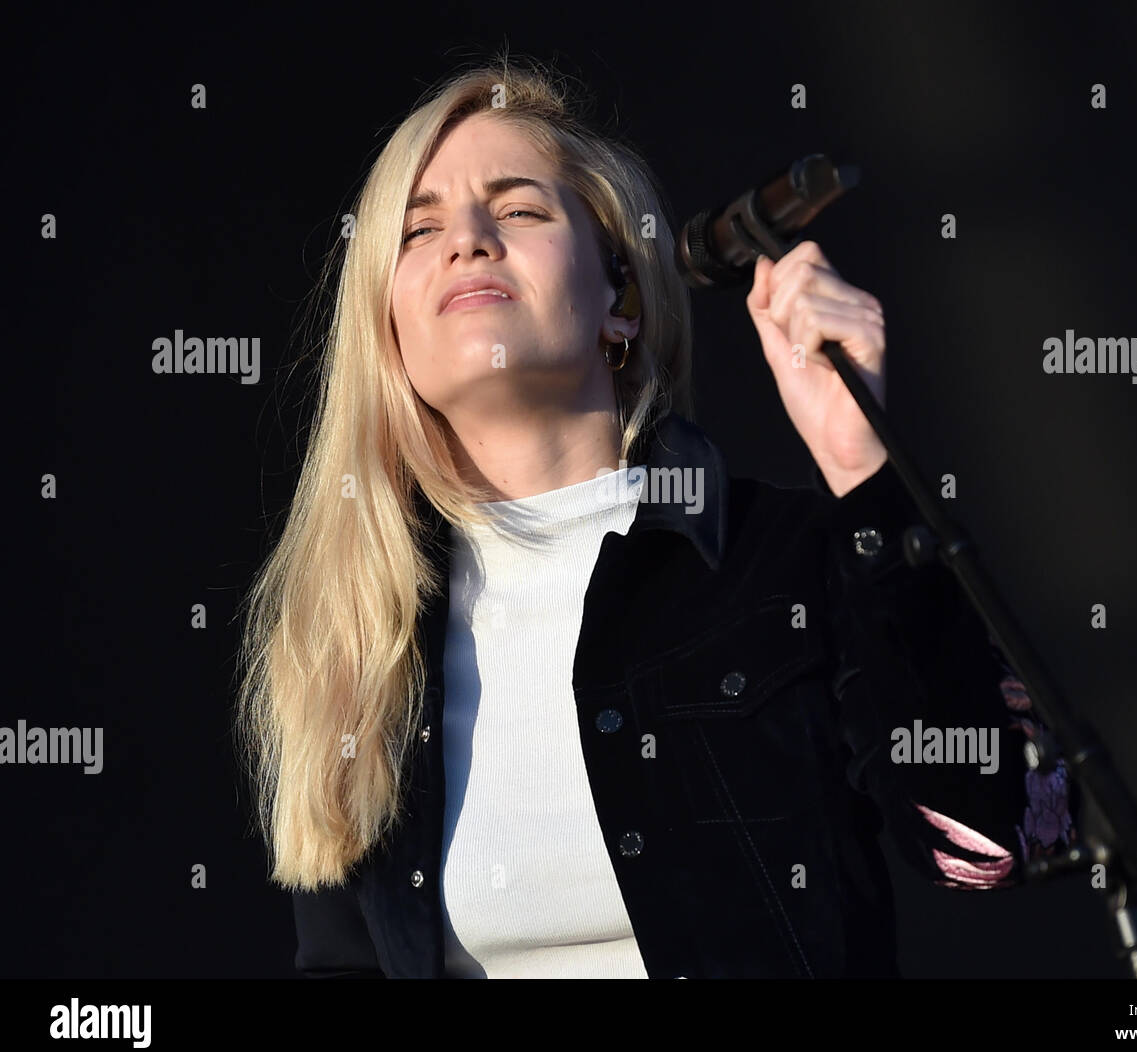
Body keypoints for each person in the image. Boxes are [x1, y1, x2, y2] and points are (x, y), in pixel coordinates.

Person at [234, 54, 1079, 979]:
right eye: (418, 227)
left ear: (620, 302)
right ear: (389, 327)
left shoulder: (785, 560)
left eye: (518, 208)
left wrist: (859, 468)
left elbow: (996, 837)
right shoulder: (359, 635)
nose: (466, 239)